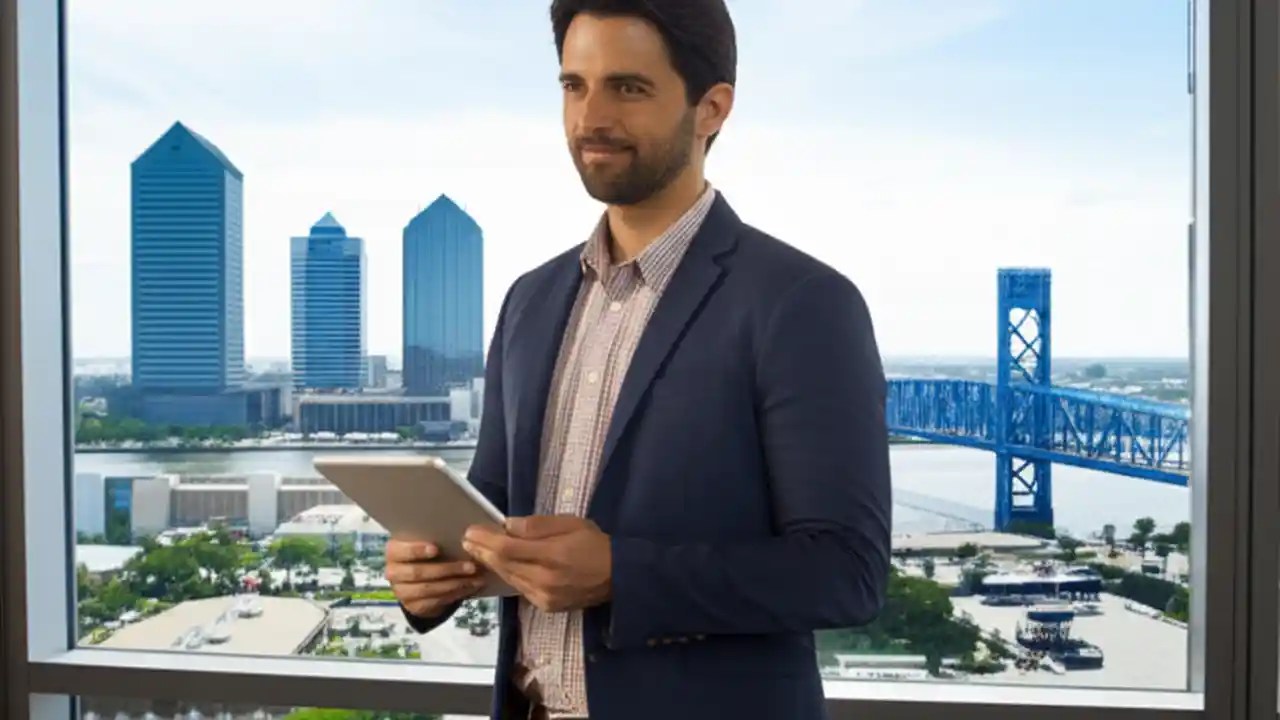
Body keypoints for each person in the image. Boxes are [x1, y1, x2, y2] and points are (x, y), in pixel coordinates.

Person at [385, 0, 892, 717]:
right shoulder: (529, 300)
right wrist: (430, 574)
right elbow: (490, 509)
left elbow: (847, 572)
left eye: (627, 87)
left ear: (712, 108)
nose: (590, 118)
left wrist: (622, 574)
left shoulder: (802, 303)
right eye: (574, 85)